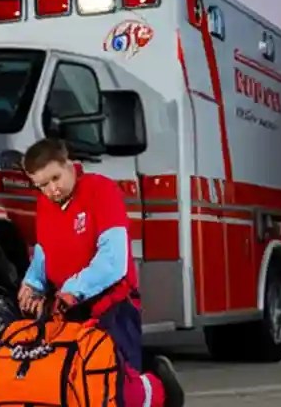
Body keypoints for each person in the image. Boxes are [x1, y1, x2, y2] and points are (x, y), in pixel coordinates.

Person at [17, 137, 186, 407]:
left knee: (115, 388)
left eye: (55, 178)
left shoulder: (100, 191)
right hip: (70, 309)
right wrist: (32, 282)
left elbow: (113, 259)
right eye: (42, 185)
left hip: (112, 305)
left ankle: (160, 386)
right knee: (77, 386)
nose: (51, 190)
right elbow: (43, 252)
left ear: (68, 163)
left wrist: (73, 289)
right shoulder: (45, 205)